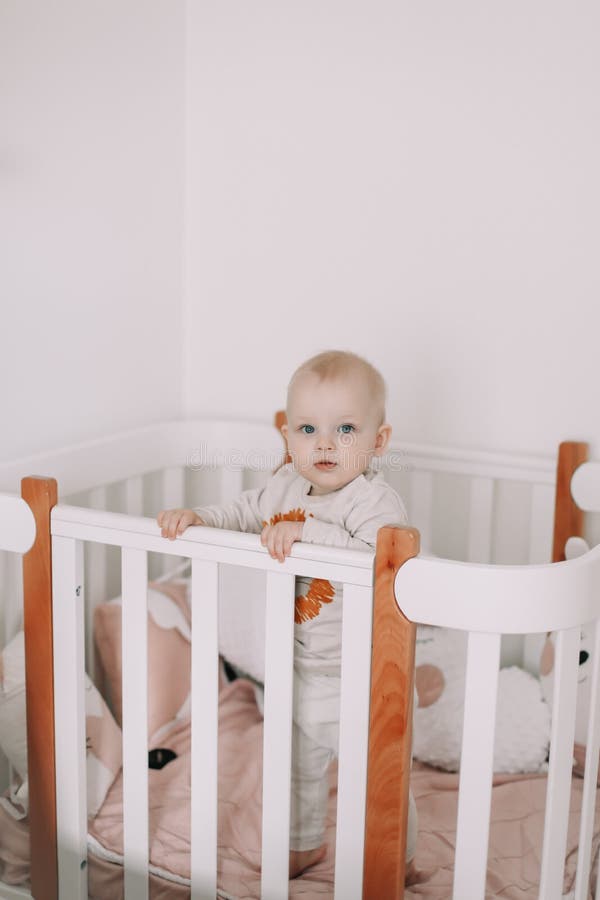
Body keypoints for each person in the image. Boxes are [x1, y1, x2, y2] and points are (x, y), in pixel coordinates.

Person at [157, 350, 418, 882]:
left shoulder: (374, 504)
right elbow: (241, 511)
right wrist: (198, 517)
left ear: (378, 442)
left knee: (381, 780)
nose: (324, 443)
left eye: (345, 428)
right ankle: (302, 847)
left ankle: (400, 859)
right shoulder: (281, 487)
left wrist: (306, 534)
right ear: (287, 437)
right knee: (298, 769)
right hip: (299, 671)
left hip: (365, 679)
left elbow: (377, 559)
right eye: (307, 428)